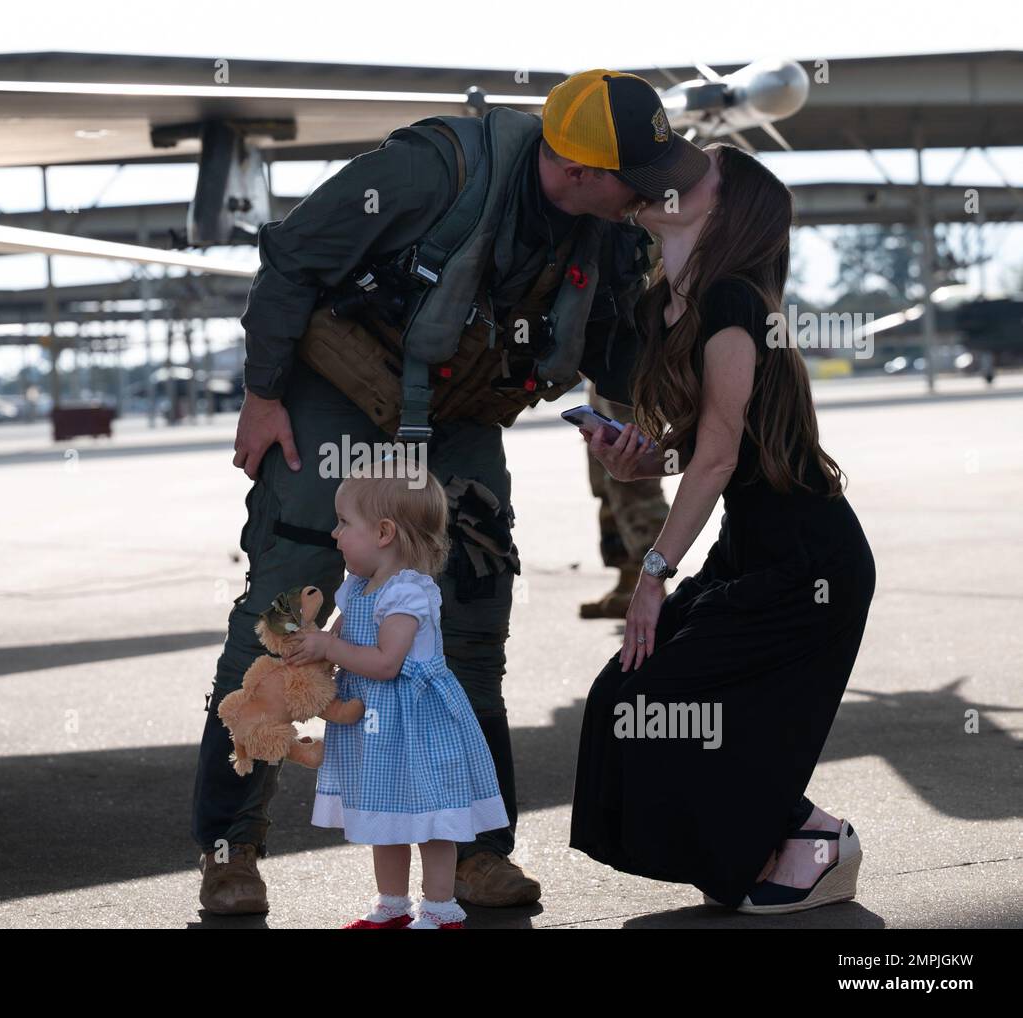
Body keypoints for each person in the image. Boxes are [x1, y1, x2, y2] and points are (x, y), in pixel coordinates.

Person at [191, 67, 711, 915]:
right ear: (577, 169)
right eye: (636, 181)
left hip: (458, 419)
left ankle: (475, 852)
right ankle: (230, 850)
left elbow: (615, 351)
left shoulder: (608, 232)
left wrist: (649, 418)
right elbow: (291, 258)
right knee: (284, 622)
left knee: (469, 633)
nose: (649, 197)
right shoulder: (434, 172)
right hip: (338, 398)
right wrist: (262, 393)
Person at [568, 142, 877, 914]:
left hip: (811, 560)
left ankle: (815, 835)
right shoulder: (662, 307)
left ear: (725, 206)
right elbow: (703, 447)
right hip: (752, 552)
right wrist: (642, 462)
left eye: (698, 170)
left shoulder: (738, 301)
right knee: (627, 699)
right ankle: (789, 836)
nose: (673, 175)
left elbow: (717, 459)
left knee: (671, 706)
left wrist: (651, 576)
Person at [281, 464, 508, 929]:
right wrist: (312, 650)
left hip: (416, 724)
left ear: (383, 532)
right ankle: (391, 904)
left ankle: (441, 909)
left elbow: (387, 662)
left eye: (344, 522)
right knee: (386, 816)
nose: (335, 532)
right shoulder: (359, 588)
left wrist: (331, 647)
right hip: (376, 728)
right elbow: (338, 638)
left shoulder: (407, 593)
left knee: (429, 819)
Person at [578, 378, 671, 619]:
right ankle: (629, 579)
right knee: (605, 475)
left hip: (633, 364)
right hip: (600, 365)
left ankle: (653, 586)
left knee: (636, 473)